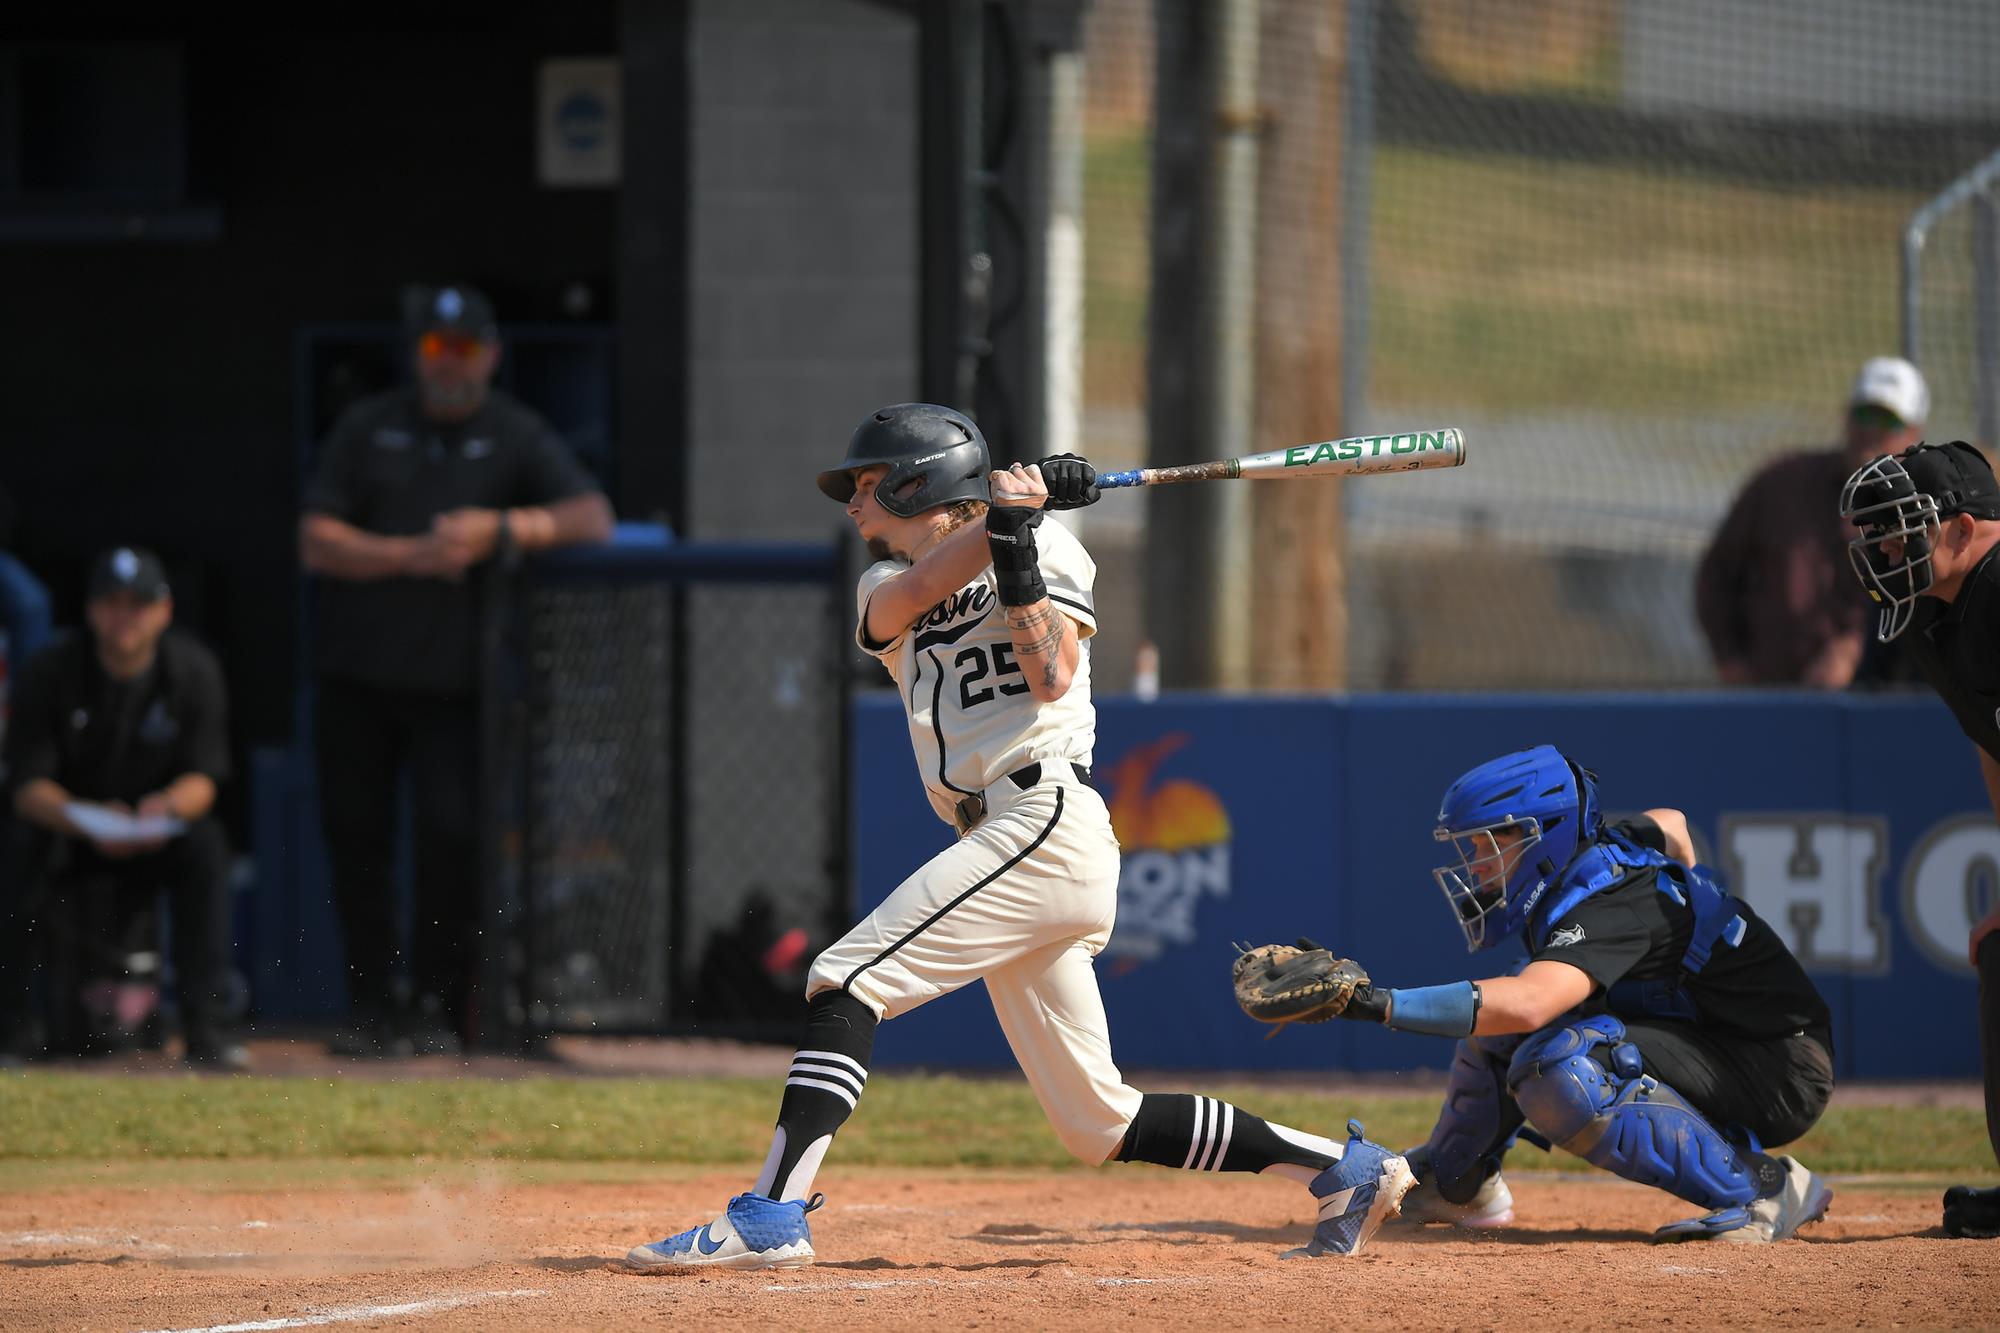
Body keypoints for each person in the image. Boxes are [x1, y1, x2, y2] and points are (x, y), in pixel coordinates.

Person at [625, 403, 1412, 1272]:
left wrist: (1018, 537)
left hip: (1045, 818)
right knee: (1096, 1123)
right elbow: (911, 598)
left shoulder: (1054, 550)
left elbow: (1050, 675)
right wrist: (1007, 520)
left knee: (847, 974)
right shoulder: (878, 584)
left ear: (915, 480)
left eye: (866, 482)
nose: (853, 501)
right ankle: (1347, 1168)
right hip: (1005, 834)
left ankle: (771, 1212)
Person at [1237, 743, 1836, 1243]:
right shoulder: (1599, 854)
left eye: (1486, 845)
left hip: (1777, 1066)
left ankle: (1764, 1187)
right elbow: (1673, 822)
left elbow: (1528, 1001)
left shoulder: (1614, 903)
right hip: (1712, 1036)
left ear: (1540, 835)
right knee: (1506, 1034)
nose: (1475, 867)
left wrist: (1373, 1002)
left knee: (1559, 1064)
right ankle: (1455, 1185)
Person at [300, 284, 613, 1055]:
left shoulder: (513, 431)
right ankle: (373, 1011)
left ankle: (442, 1013)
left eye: (465, 351)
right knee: (358, 840)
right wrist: (409, 553)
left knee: (451, 843)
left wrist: (497, 528)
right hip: (358, 676)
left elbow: (592, 517)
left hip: (457, 688)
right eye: (437, 350)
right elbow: (316, 538)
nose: (451, 367)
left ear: (491, 356)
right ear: (416, 355)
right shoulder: (368, 426)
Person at [1840, 439, 2000, 1239]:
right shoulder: (1938, 618)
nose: (1884, 551)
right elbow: (1993, 741)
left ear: (1965, 529)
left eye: (1903, 533)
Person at [0, 547, 244, 1069]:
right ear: (90, 611)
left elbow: (205, 778)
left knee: (208, 847)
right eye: (112, 603)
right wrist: (87, 819)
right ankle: (16, 1028)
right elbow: (28, 787)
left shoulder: (194, 671)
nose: (124, 617)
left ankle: (207, 1029)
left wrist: (163, 809)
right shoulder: (50, 671)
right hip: (72, 832)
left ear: (165, 611)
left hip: (155, 831)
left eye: (139, 604)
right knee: (19, 844)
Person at [1696, 356, 1929, 687]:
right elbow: (1717, 572)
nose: (1871, 431)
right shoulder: (1781, 483)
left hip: (1873, 708)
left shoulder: (1927, 515)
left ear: (1914, 433)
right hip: (1766, 696)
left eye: (1887, 420)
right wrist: (1730, 660)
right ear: (1846, 417)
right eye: (1864, 414)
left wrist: (1855, 650)